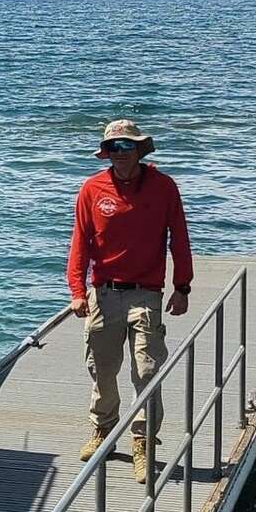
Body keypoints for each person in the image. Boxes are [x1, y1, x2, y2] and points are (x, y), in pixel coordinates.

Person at [65, 119, 193, 483]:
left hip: (146, 294)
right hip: (103, 292)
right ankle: (103, 431)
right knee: (102, 369)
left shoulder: (164, 187)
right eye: (113, 149)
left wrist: (181, 286)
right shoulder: (91, 189)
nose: (119, 155)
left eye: (126, 147)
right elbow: (80, 243)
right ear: (106, 153)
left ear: (139, 150)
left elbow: (179, 238)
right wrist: (77, 291)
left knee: (147, 371)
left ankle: (144, 442)